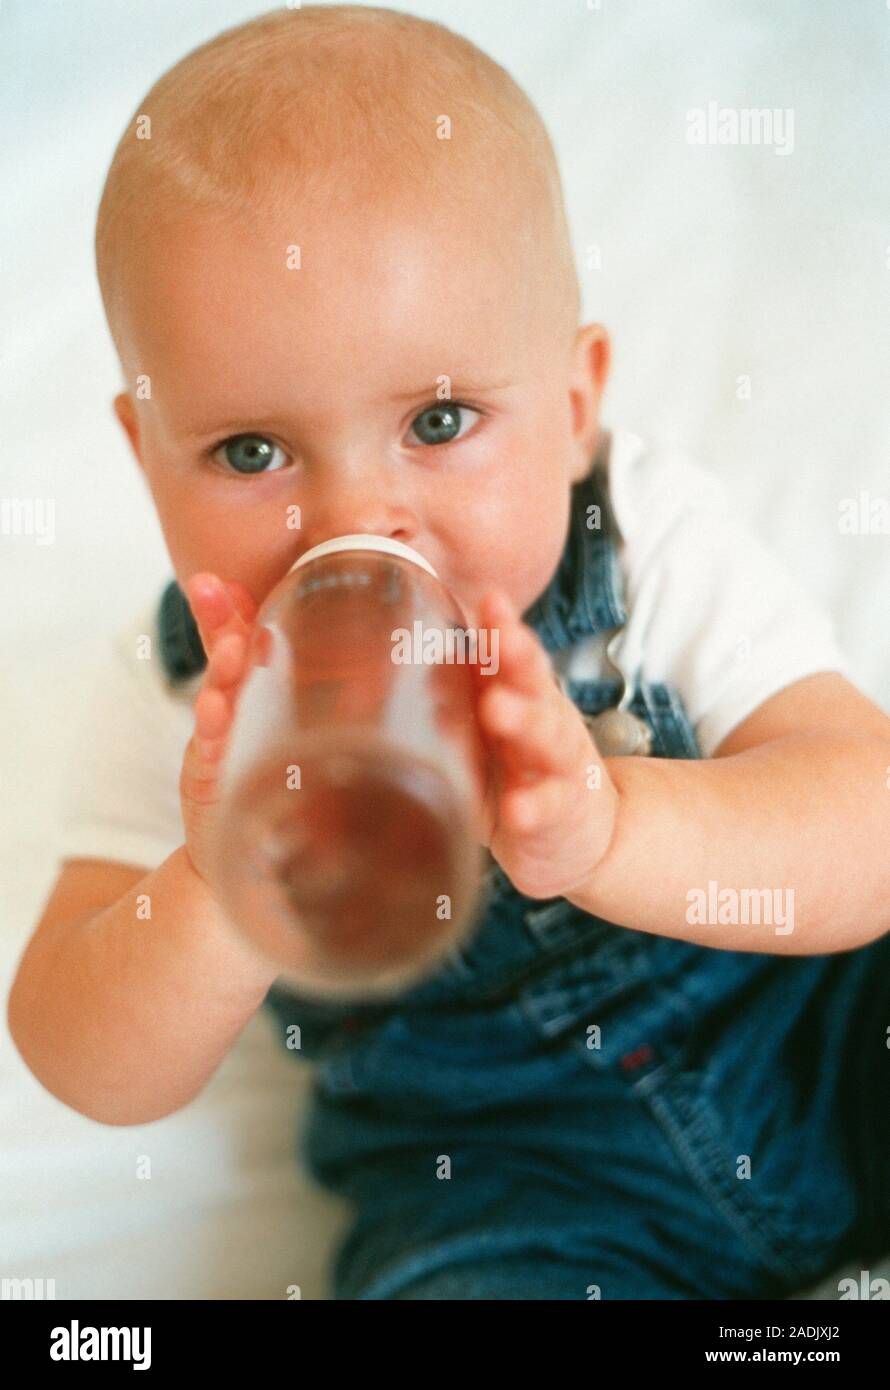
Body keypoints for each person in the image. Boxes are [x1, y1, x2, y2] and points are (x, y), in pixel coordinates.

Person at [9, 5, 890, 1299]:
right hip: (504, 1178)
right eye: (251, 452)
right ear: (147, 460)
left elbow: (863, 820)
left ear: (577, 407)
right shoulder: (184, 690)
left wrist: (613, 830)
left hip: (808, 1033)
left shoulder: (642, 544)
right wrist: (212, 889)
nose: (357, 516)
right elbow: (76, 1049)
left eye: (437, 419)